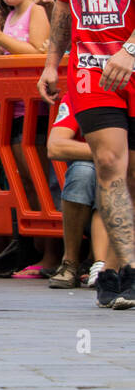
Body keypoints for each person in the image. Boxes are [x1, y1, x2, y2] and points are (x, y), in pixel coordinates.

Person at [37, 0, 135, 309]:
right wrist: (52, 62)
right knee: (110, 165)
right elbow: (62, 5)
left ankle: (120, 265)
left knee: (131, 175)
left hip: (131, 64)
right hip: (92, 73)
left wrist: (131, 50)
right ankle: (127, 270)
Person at [47, 90, 115, 290]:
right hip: (100, 169)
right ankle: (71, 262)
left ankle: (103, 262)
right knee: (83, 173)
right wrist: (108, 154)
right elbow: (55, 147)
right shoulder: (80, 93)